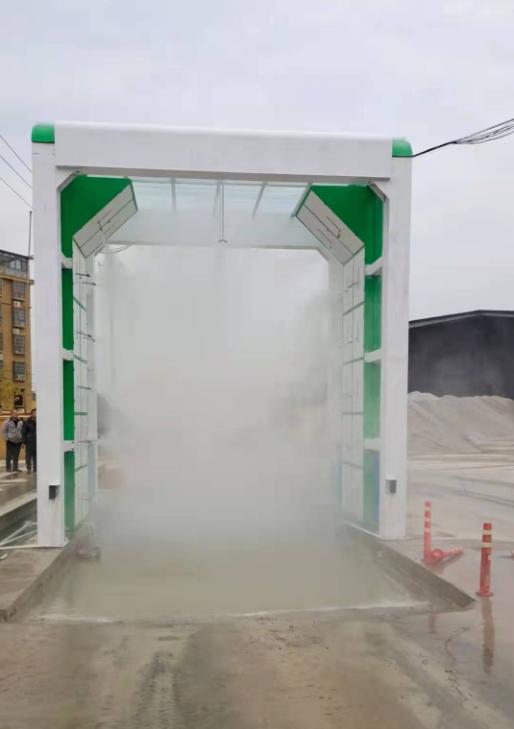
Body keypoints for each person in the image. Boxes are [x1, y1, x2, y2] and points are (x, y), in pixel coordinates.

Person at [22, 409, 37, 474]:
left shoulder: (40, 420)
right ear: (31, 414)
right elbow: (23, 432)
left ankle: (35, 468)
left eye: (36, 413)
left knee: (36, 456)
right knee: (28, 456)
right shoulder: (26, 421)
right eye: (34, 413)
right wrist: (23, 442)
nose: (35, 414)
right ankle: (29, 468)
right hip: (29, 441)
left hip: (37, 442)